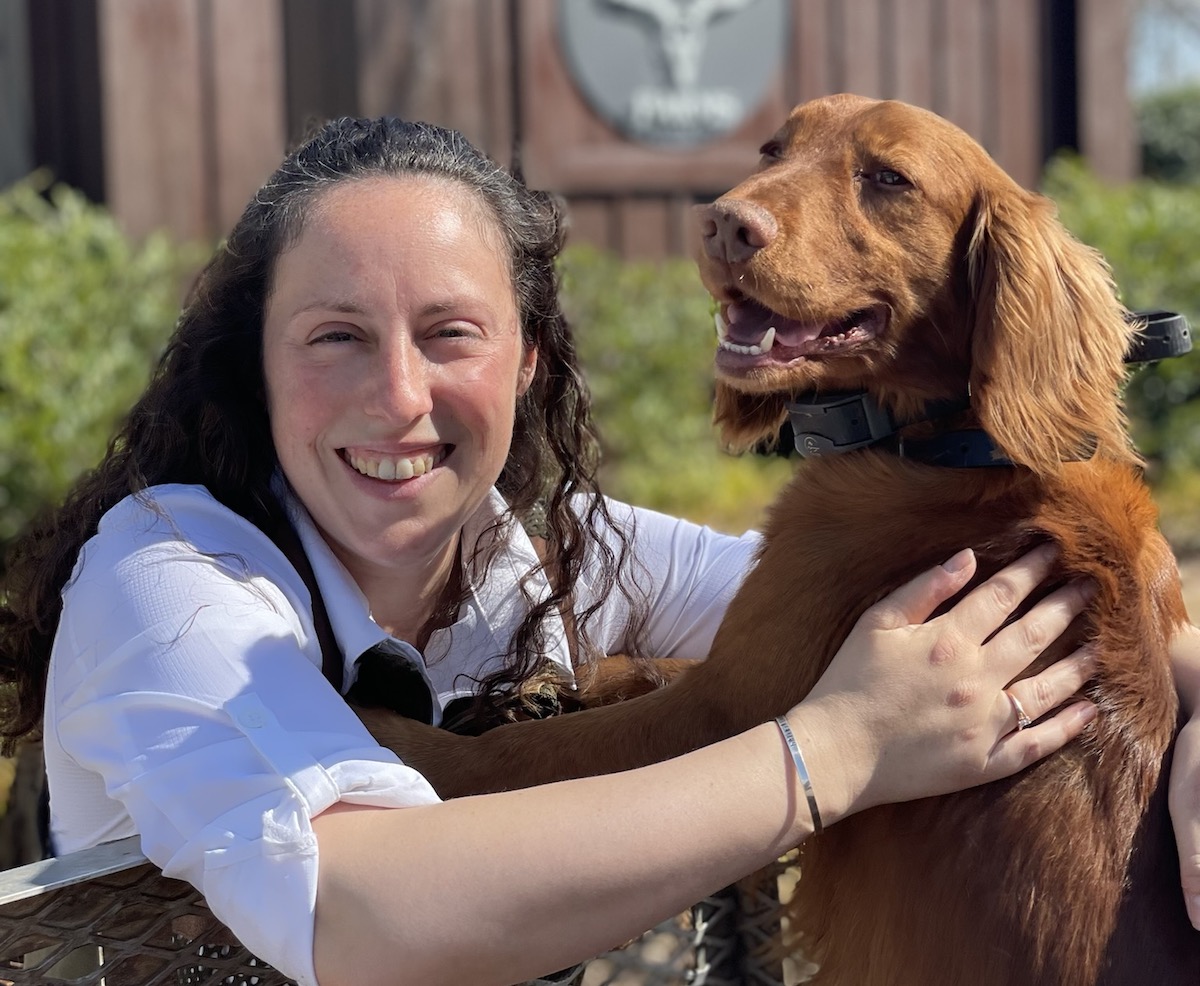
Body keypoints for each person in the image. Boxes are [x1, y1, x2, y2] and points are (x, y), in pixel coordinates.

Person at [0, 116, 1196, 986]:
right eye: (335, 337)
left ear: (527, 362)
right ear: (251, 364)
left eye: (450, 332)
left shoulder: (548, 553)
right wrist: (840, 745)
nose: (399, 394)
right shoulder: (171, 582)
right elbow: (354, 912)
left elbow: (825, 624)